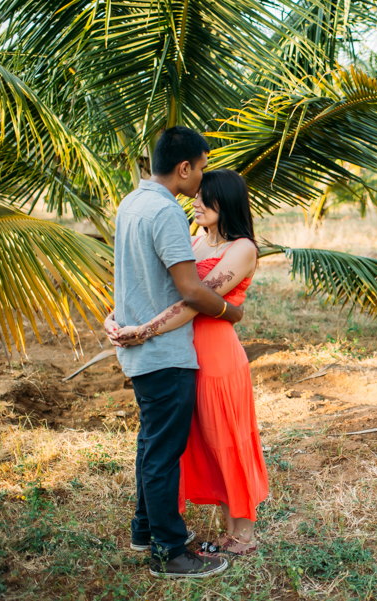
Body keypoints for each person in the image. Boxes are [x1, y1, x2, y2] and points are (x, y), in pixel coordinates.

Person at [106, 126, 240, 579]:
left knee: (150, 443)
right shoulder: (164, 211)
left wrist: (116, 320)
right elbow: (189, 289)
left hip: (140, 347)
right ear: (183, 167)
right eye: (200, 168)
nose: (201, 179)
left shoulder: (131, 203)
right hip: (164, 350)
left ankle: (144, 528)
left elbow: (130, 276)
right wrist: (228, 310)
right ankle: (169, 552)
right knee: (163, 452)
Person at [115, 169, 268, 556]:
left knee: (226, 439)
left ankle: (243, 533)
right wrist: (119, 319)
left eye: (205, 197)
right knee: (200, 441)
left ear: (226, 202)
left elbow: (196, 299)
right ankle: (227, 527)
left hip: (217, 356)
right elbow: (159, 285)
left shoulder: (243, 248)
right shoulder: (194, 239)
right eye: (196, 196)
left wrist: (146, 330)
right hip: (183, 352)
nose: (195, 203)